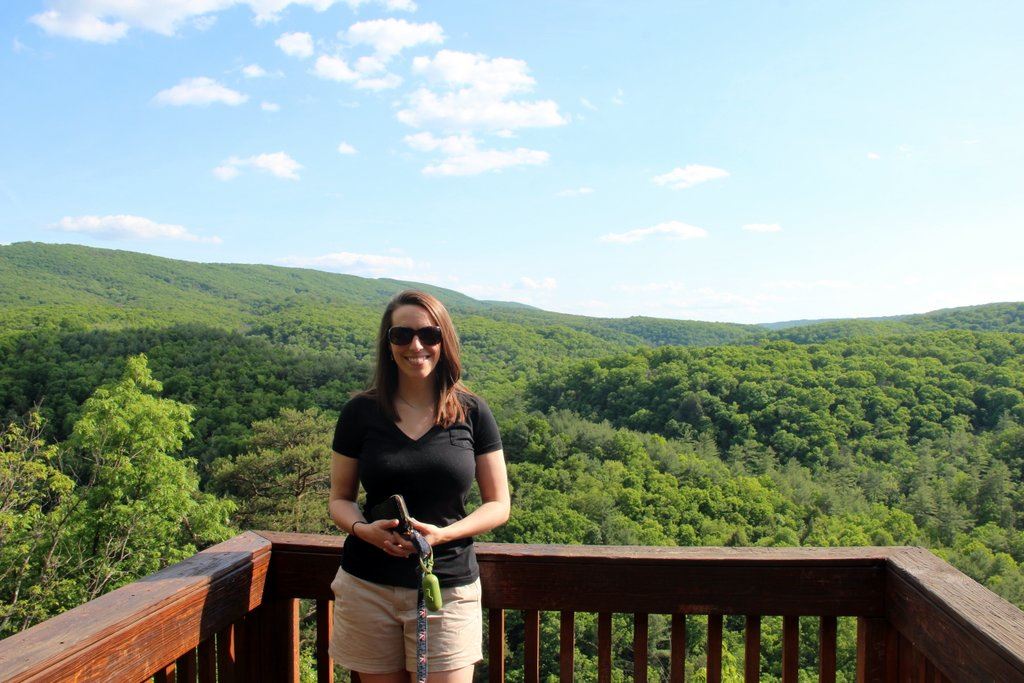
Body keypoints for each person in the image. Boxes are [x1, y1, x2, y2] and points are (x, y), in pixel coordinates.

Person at [328, 289, 510, 683]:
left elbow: (499, 504)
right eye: (402, 335)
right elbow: (340, 499)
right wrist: (363, 530)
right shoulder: (360, 412)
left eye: (429, 335)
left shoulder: (473, 412)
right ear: (388, 343)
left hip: (446, 588)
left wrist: (443, 535)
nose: (416, 346)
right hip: (367, 586)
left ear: (445, 341)